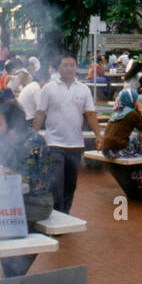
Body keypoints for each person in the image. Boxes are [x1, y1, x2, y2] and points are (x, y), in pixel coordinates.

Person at [33, 53, 103, 213]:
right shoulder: (48, 88)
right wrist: (33, 135)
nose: (69, 68)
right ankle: (57, 212)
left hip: (76, 145)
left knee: (71, 184)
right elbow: (40, 113)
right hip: (54, 143)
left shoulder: (84, 89)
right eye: (65, 65)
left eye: (72, 65)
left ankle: (65, 213)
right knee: (56, 182)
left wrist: (99, 135)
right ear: (59, 68)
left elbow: (90, 114)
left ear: (76, 68)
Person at [0, 100, 54, 229]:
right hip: (13, 200)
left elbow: (26, 178)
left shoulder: (34, 142)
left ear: (12, 128)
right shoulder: (6, 143)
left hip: (36, 204)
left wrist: (2, 170)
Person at [102, 65, 142, 192]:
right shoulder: (131, 113)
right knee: (139, 143)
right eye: (136, 99)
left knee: (135, 138)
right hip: (116, 150)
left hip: (106, 149)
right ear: (131, 100)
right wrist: (141, 111)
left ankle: (139, 176)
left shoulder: (117, 111)